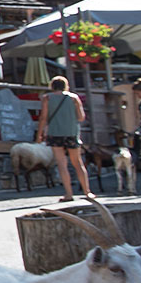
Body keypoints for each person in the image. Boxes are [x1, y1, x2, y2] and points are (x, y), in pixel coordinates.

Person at [36, 74, 90, 202]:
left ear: (52, 86)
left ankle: (68, 194)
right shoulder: (74, 98)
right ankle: (87, 192)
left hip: (55, 133)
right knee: (77, 163)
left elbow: (43, 117)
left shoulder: (47, 98)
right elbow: (81, 117)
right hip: (71, 132)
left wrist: (39, 134)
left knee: (62, 164)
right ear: (66, 86)